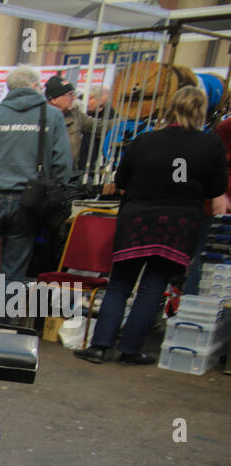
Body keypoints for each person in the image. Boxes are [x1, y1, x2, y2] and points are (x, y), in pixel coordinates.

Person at [75, 86, 227, 365]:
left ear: (171, 108)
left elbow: (120, 181)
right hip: (178, 224)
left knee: (120, 285)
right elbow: (215, 189)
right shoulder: (211, 144)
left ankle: (99, 346)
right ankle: (131, 350)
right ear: (201, 111)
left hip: (137, 219)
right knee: (152, 287)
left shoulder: (144, 141)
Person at [0, 66, 71, 321]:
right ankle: (0, 331)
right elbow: (62, 163)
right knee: (12, 271)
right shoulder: (51, 117)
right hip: (27, 201)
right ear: (34, 86)